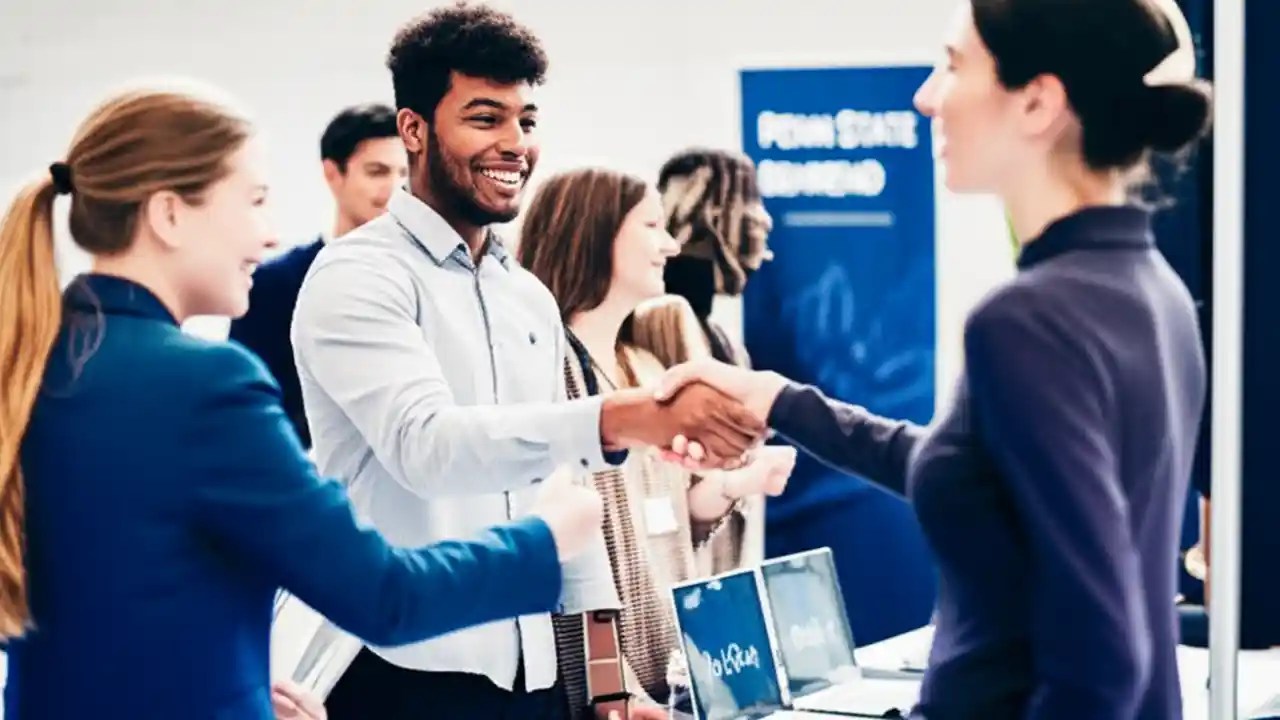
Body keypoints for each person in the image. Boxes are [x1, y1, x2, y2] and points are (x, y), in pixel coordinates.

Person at [657, 0, 1212, 718]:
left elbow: (1098, 662)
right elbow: (985, 480)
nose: (925, 97)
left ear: (1037, 102)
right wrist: (776, 400)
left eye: (953, 66)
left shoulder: (1028, 321)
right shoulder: (1149, 289)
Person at [0, 83, 608, 720]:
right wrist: (543, 539)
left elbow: (120, 593)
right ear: (168, 215)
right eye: (255, 202)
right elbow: (385, 596)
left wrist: (229, 669)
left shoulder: (32, 364)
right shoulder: (204, 386)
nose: (268, 237)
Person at [290, 6, 764, 720]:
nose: (515, 144)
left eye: (527, 121)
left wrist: (609, 680)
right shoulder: (357, 276)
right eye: (486, 119)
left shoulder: (526, 297)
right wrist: (625, 416)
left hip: (534, 682)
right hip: (401, 673)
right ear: (414, 129)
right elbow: (429, 448)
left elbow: (565, 493)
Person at [517, 167, 796, 718]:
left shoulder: (645, 368)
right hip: (603, 688)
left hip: (667, 666)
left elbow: (678, 516)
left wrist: (740, 482)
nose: (670, 244)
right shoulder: (546, 378)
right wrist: (613, 684)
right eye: (651, 225)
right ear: (594, 233)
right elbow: (564, 556)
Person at [229, 103, 406, 448]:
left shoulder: (429, 281)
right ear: (332, 174)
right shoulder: (273, 286)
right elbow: (247, 409)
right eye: (377, 172)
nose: (395, 188)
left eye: (404, 173)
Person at [657, 148, 774, 573]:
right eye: (751, 202)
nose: (764, 221)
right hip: (686, 556)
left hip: (713, 549)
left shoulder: (710, 331)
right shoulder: (670, 324)